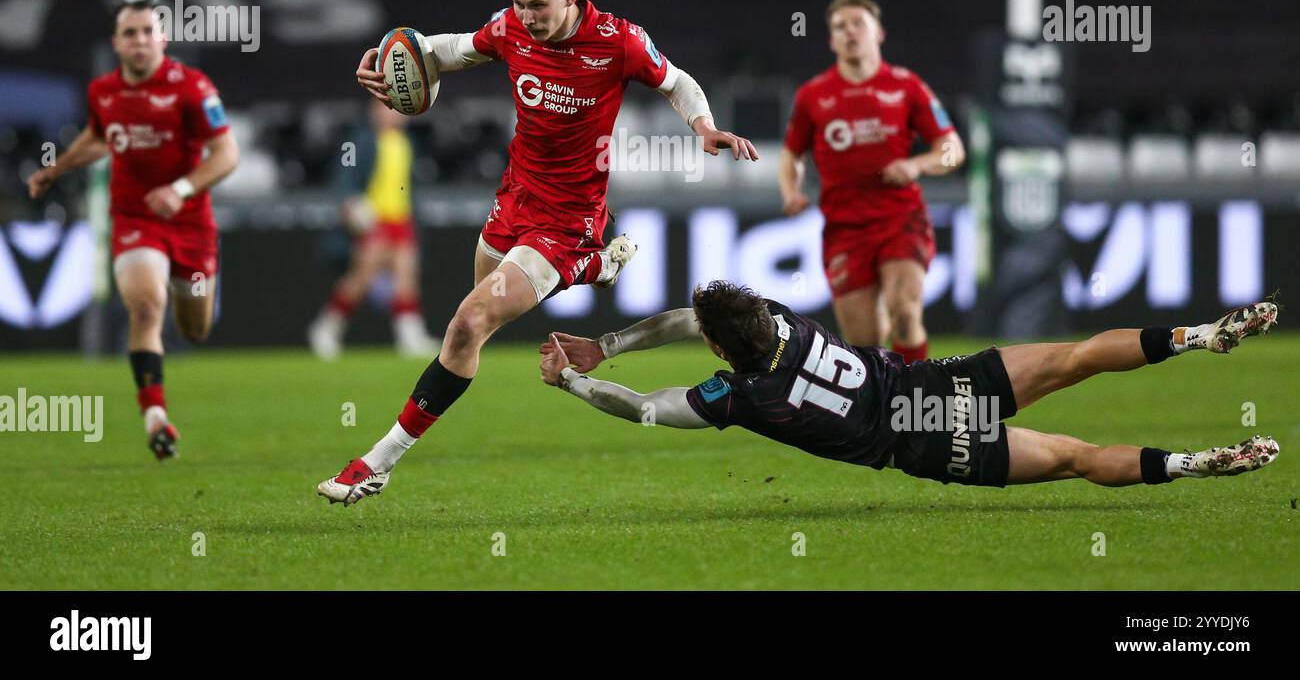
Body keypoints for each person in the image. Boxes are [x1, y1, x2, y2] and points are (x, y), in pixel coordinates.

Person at [318, 0, 758, 504]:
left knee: (465, 324)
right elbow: (448, 51)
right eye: (519, 3)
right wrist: (393, 64)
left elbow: (678, 83)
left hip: (565, 219)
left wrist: (703, 126)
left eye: (538, 6)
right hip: (512, 203)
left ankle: (375, 463)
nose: (526, 17)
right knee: (466, 342)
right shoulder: (509, 29)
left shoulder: (617, 41)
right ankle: (597, 264)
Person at [538, 281, 1280, 488]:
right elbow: (691, 318)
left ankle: (1192, 464)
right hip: (933, 385)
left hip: (921, 443)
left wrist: (574, 377)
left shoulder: (739, 398)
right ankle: (1196, 336)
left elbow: (642, 409)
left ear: (720, 348)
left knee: (1074, 457)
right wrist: (608, 344)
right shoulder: (784, 318)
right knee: (1077, 356)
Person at [26, 0, 239, 459]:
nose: (140, 41)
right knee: (147, 305)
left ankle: (162, 386)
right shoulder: (103, 91)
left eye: (147, 31)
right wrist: (55, 170)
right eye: (130, 33)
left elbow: (227, 154)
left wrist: (180, 189)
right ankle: (155, 416)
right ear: (116, 43)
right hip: (134, 217)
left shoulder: (192, 87)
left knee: (195, 326)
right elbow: (98, 137)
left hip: (189, 222)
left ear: (162, 38)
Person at [778, 0, 963, 364]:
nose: (849, 32)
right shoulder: (814, 95)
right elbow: (790, 154)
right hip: (845, 229)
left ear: (879, 32)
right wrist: (790, 190)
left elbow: (952, 148)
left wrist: (917, 166)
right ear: (831, 40)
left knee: (904, 312)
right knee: (867, 346)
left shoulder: (906, 86)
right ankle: (884, 414)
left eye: (858, 23)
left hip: (900, 218)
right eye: (839, 27)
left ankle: (918, 403)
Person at [308, 100, 440, 360]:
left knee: (406, 275)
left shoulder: (407, 142)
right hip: (373, 219)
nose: (395, 116)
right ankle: (326, 328)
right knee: (362, 276)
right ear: (374, 112)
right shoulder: (361, 140)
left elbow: (409, 187)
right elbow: (345, 181)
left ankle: (409, 335)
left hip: (400, 219)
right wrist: (353, 208)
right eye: (387, 109)